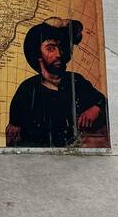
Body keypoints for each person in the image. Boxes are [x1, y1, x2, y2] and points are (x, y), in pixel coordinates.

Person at [6, 17, 107, 148]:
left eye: (61, 47)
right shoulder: (27, 90)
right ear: (38, 54)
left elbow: (101, 101)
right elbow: (13, 139)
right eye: (50, 48)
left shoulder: (76, 81)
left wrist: (96, 108)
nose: (59, 54)